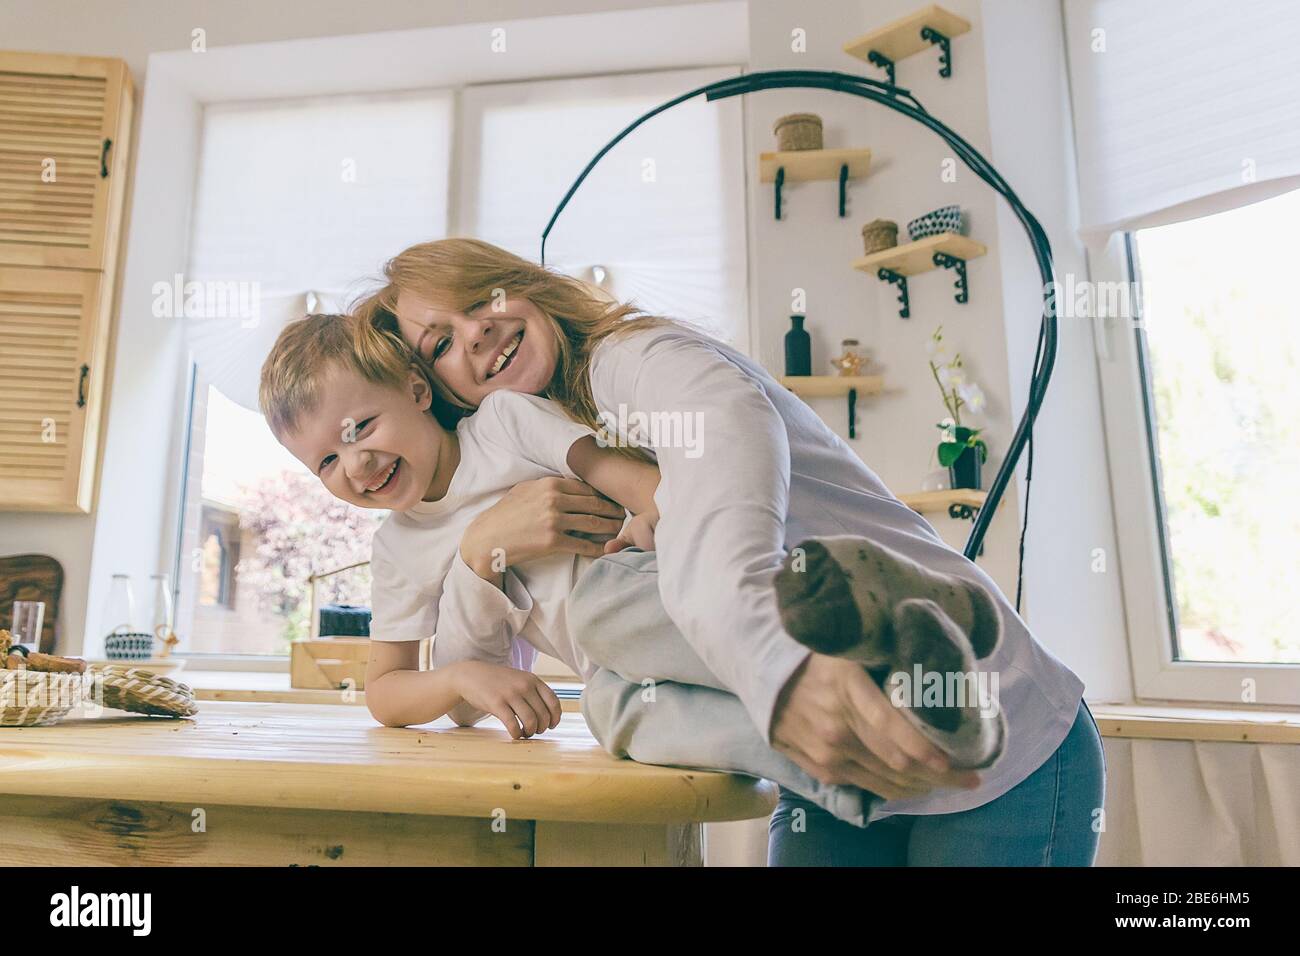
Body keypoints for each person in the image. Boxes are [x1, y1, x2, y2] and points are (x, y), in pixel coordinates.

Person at [349, 237, 1105, 866]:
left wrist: (772, 664)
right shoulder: (513, 450)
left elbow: (718, 459)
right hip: (832, 764)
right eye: (440, 341)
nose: (476, 331)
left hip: (999, 738)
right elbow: (481, 667)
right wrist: (483, 549)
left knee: (610, 625)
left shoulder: (636, 361)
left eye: (482, 299)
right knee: (612, 693)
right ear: (435, 386)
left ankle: (936, 611)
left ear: (526, 288)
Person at [257, 310, 895, 825]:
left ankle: (855, 625)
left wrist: (665, 527)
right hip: (622, 665)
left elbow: (639, 484)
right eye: (327, 463)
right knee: (607, 709)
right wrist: (461, 678)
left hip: (661, 583)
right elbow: (385, 693)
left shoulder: (504, 424)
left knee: (597, 614)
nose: (357, 464)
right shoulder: (399, 548)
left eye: (361, 427)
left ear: (417, 391)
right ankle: (838, 767)